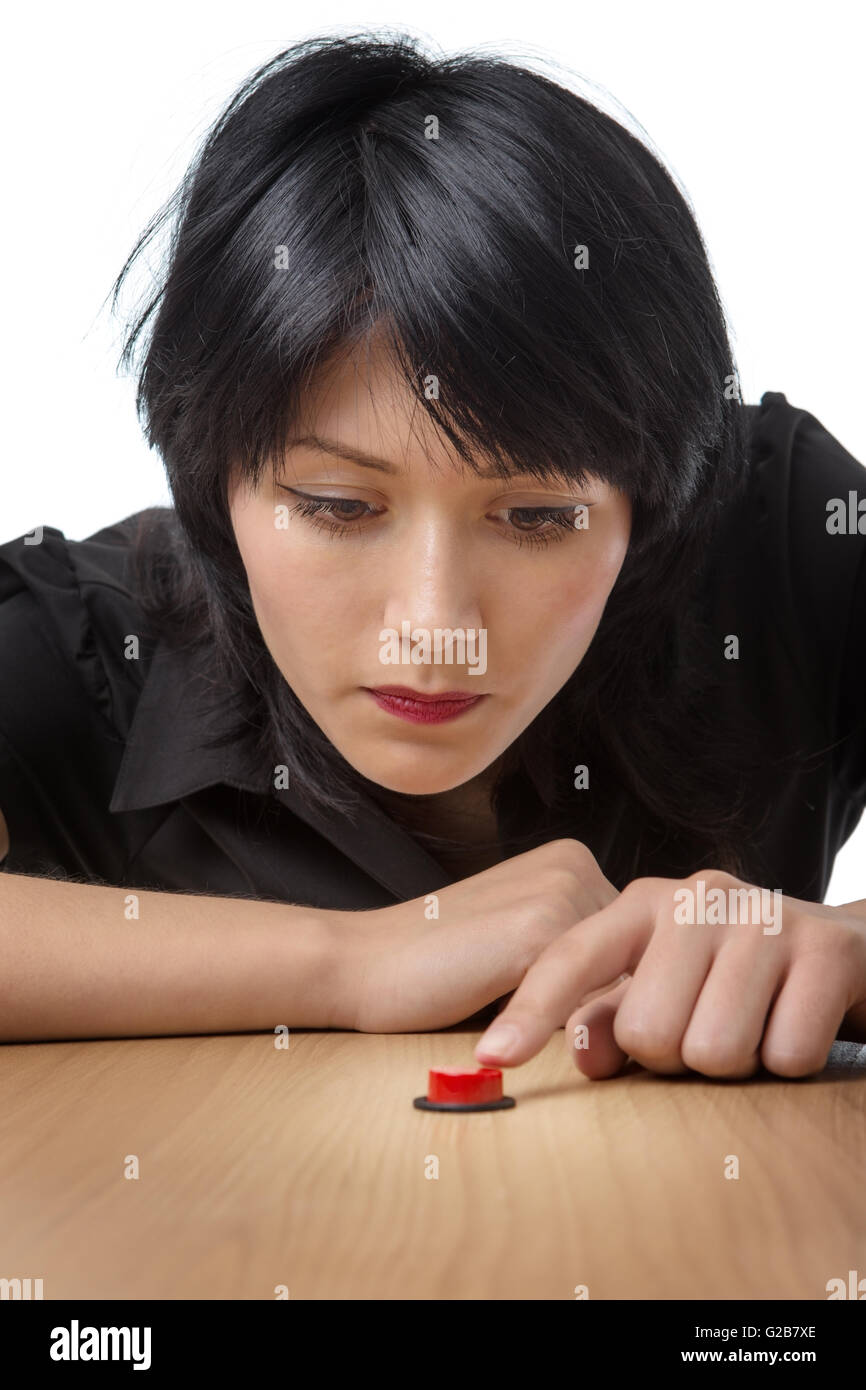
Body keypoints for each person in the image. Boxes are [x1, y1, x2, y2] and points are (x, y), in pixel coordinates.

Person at [1, 33, 865, 1076]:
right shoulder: (76, 642)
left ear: (648, 493)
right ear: (215, 475)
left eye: (538, 516)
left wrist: (851, 952)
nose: (433, 622)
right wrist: (348, 964)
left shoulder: (781, 530)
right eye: (336, 505)